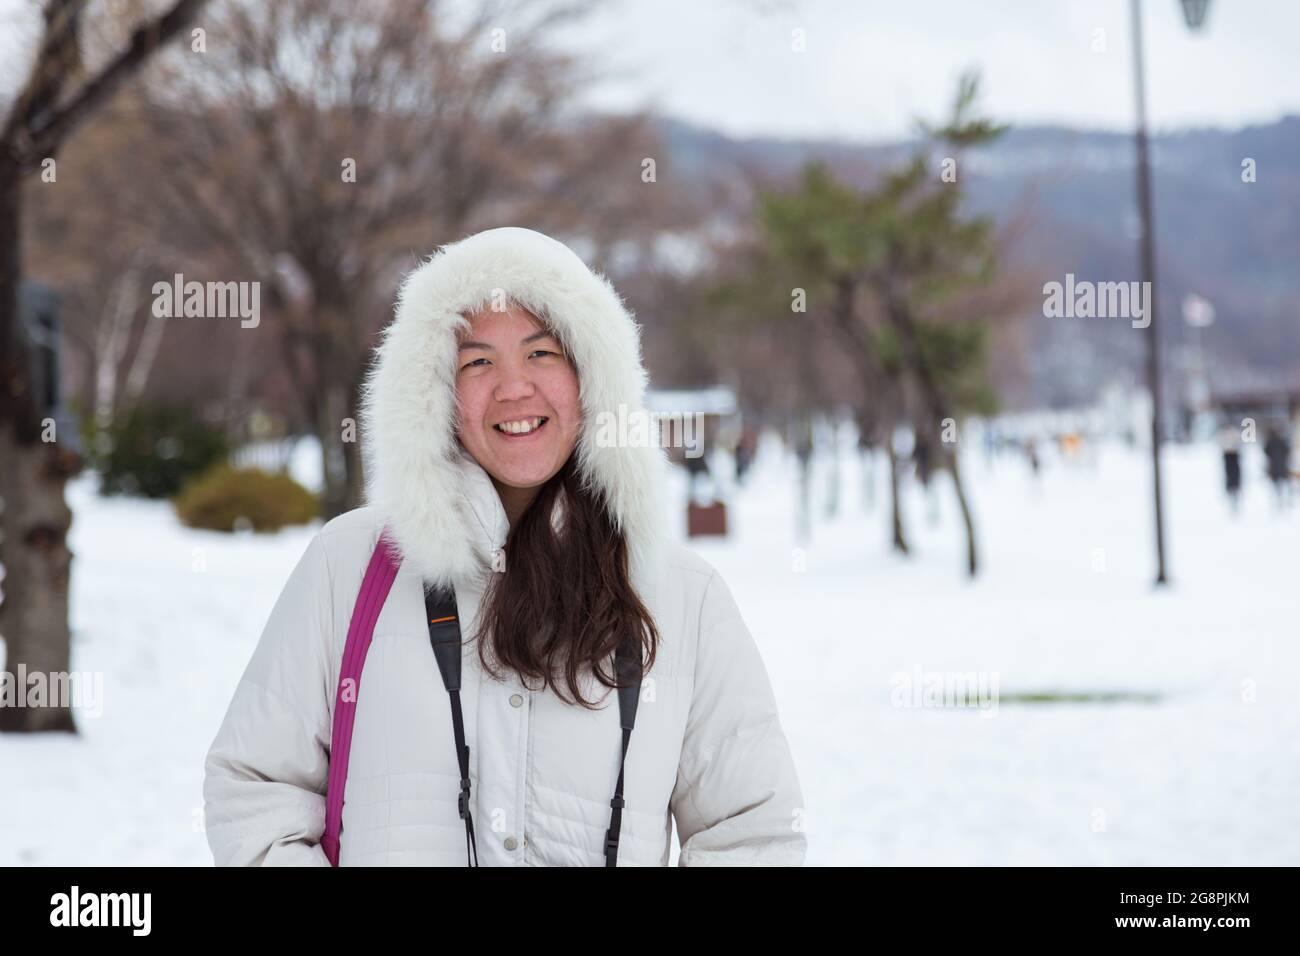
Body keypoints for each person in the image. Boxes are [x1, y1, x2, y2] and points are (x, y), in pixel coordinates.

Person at [202, 227, 806, 866]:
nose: (514, 388)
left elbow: (753, 832)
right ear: (435, 389)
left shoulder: (681, 595)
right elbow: (255, 793)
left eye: (542, 353)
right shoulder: (348, 567)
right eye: (478, 361)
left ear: (592, 375)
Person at [1263, 424, 1292, 508]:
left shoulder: (1271, 441)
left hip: (1275, 466)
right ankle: (1282, 499)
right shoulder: (1281, 440)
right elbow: (1287, 450)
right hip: (1281, 465)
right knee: (1283, 483)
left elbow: (1266, 451)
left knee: (1278, 484)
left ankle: (1279, 499)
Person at [1218, 423, 1243, 513]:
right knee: (1231, 477)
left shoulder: (1234, 435)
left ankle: (1234, 497)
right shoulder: (1225, 435)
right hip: (1229, 457)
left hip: (1233, 457)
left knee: (1234, 477)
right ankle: (1232, 496)